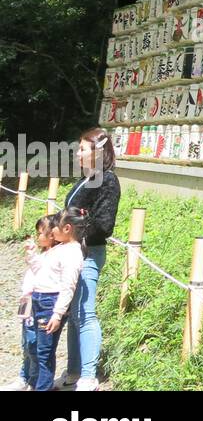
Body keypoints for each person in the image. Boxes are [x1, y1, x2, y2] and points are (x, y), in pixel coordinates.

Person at [59, 128, 121, 391]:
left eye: (83, 148)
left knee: (85, 312)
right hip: (71, 252)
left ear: (98, 151)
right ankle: (73, 369)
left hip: (88, 253)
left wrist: (78, 239)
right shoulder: (85, 180)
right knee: (74, 313)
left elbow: (104, 223)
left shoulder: (107, 180)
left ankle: (88, 374)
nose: (78, 152)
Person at [13, 211, 85, 391]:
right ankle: (35, 383)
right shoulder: (58, 249)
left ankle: (42, 388)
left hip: (50, 303)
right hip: (39, 299)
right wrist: (31, 255)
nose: (52, 230)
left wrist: (57, 314)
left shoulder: (72, 253)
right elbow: (42, 271)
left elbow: (68, 286)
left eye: (55, 226)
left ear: (67, 228)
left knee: (44, 353)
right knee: (35, 347)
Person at [3, 214, 59, 392]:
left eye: (41, 233)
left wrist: (33, 255)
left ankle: (34, 380)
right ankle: (24, 376)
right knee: (26, 341)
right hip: (27, 299)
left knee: (35, 343)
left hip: (39, 301)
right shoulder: (44, 253)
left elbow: (44, 275)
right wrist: (32, 254)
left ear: (52, 235)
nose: (37, 236)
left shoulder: (55, 255)